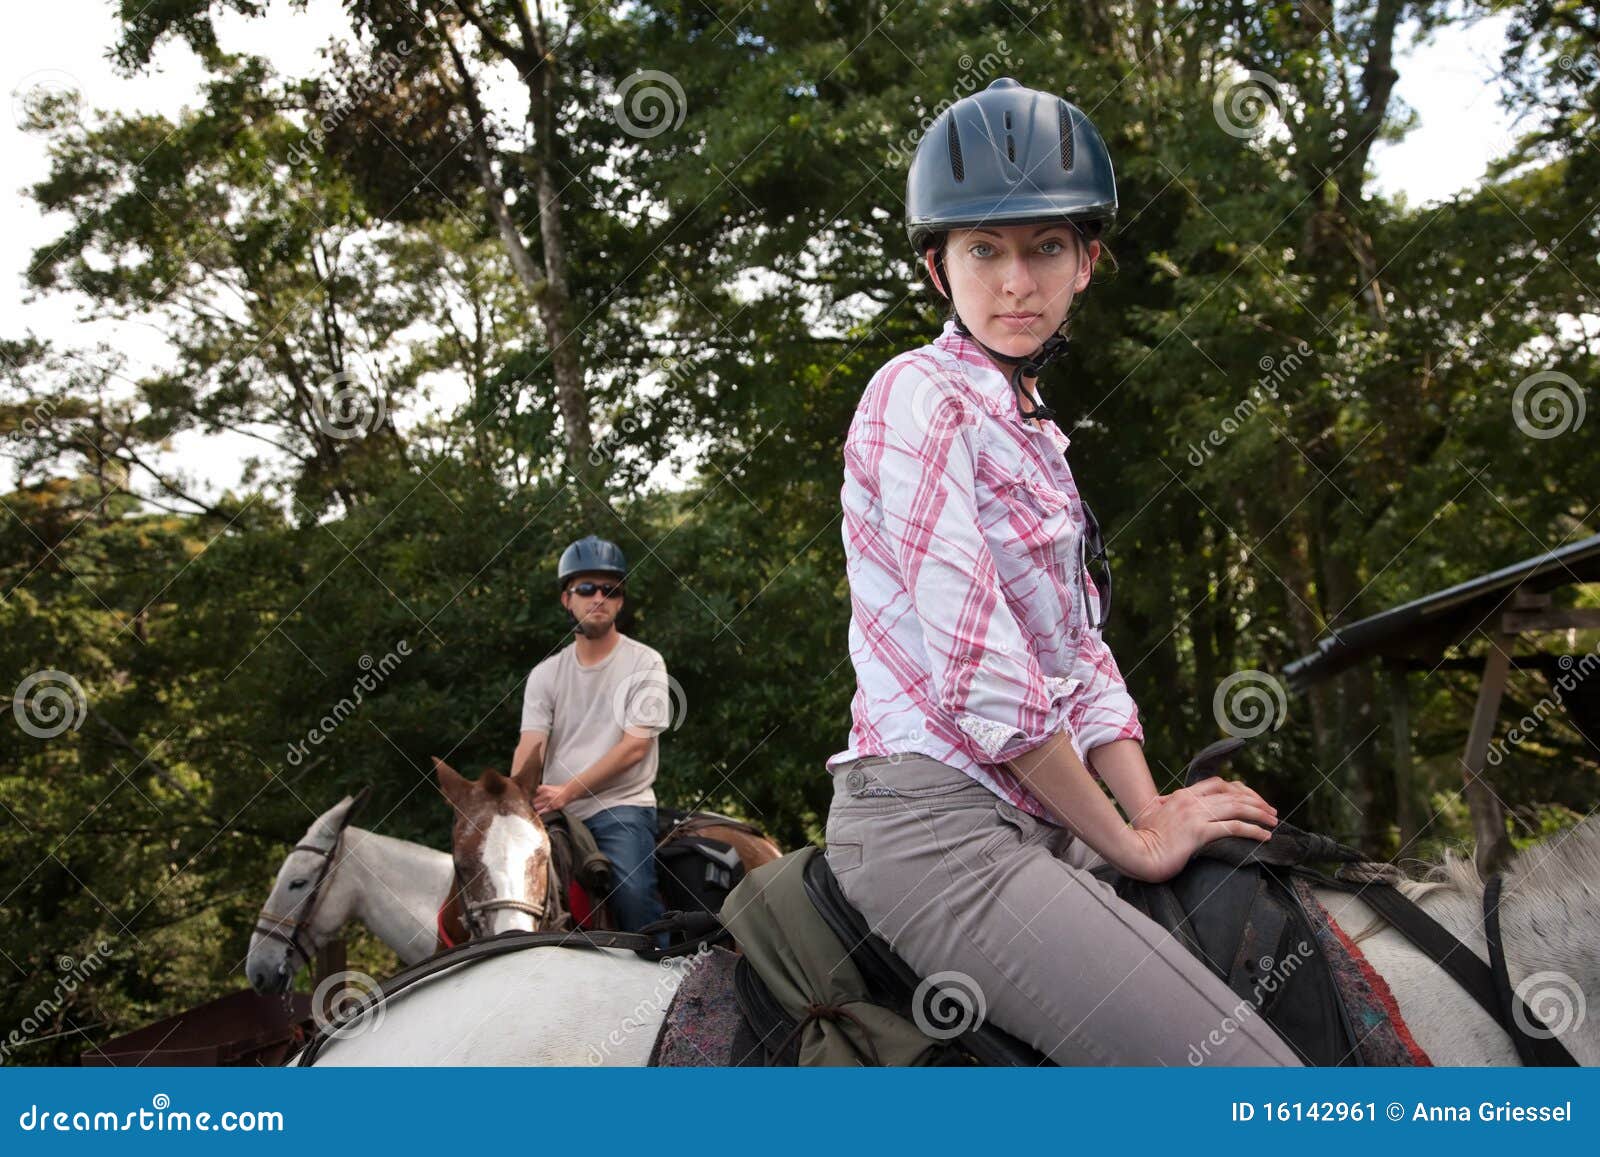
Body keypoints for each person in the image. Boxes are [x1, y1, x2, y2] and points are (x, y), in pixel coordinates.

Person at [823, 78, 1303, 1066]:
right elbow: (981, 670)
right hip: (935, 824)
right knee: (1243, 1074)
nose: (1015, 283)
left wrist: (1152, 805)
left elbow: (1076, 656)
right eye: (983, 251)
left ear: (1087, 261)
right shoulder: (916, 394)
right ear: (936, 267)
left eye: (1044, 247)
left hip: (1040, 806)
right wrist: (1130, 842)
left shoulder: (1036, 433)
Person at [513, 535, 670, 947]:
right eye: (586, 588)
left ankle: (671, 982)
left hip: (620, 808)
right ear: (567, 598)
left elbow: (634, 747)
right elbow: (532, 747)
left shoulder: (645, 662)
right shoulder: (546, 674)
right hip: (556, 811)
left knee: (634, 896)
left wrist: (567, 791)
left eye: (610, 589)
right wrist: (512, 799)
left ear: (620, 602)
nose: (598, 597)